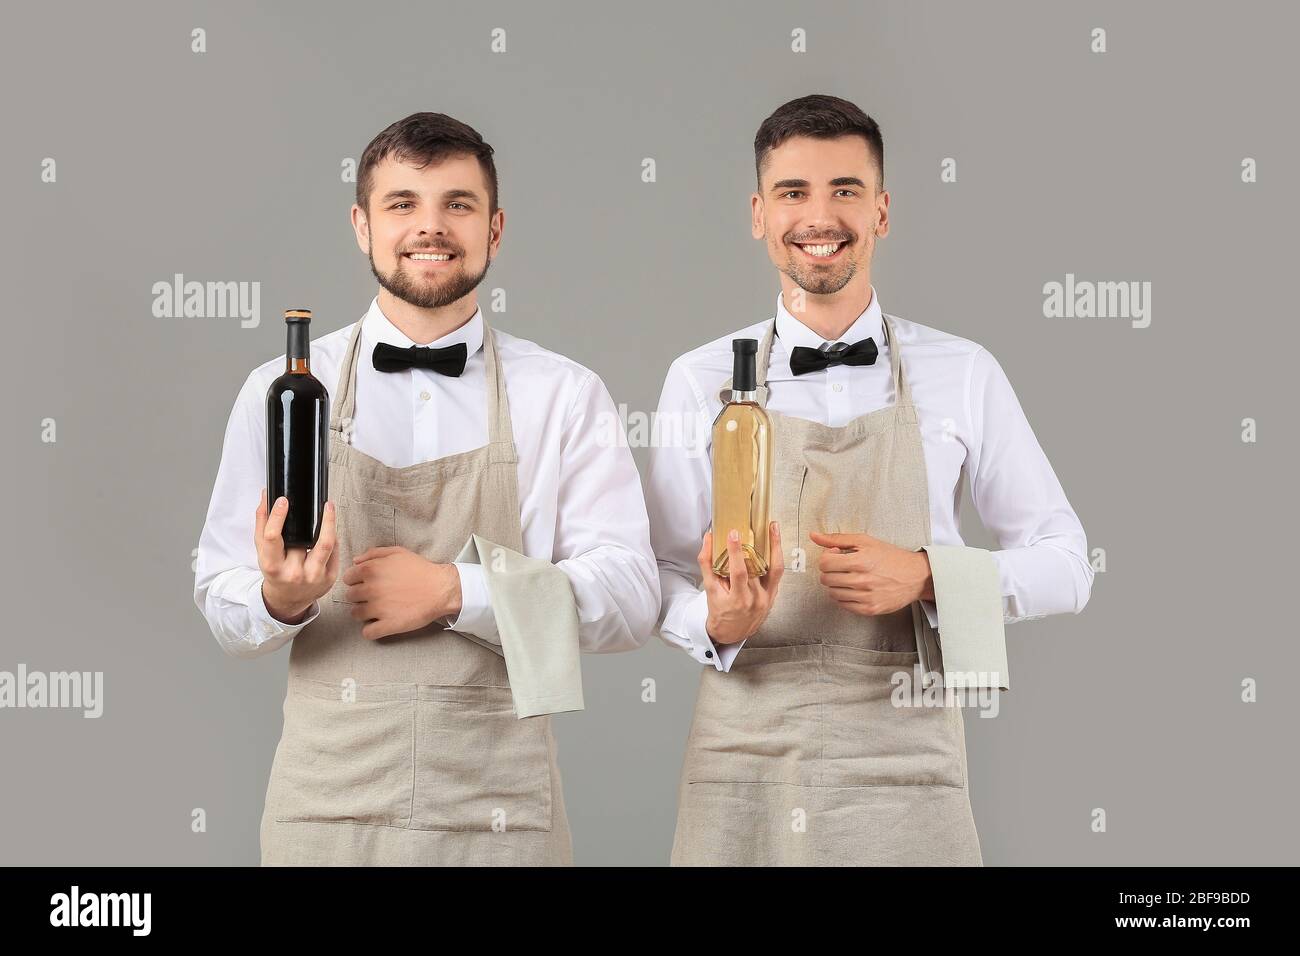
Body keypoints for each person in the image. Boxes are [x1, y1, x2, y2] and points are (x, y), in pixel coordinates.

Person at [194, 112, 660, 866]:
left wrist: (455, 590)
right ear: (362, 224)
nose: (430, 227)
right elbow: (220, 593)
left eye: (458, 204)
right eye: (403, 204)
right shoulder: (280, 392)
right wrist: (280, 599)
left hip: (498, 809)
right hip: (326, 811)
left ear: (495, 228)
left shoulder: (563, 394)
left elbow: (634, 595)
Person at [645, 94, 1093, 866]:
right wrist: (715, 624)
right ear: (759, 214)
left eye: (845, 190)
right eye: (793, 193)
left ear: (882, 211)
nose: (820, 216)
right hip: (745, 760)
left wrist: (927, 576)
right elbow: (654, 573)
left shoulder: (964, 372)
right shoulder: (700, 380)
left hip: (905, 764)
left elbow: (1067, 564)